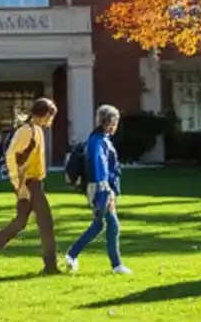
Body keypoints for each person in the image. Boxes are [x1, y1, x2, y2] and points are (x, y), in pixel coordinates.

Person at [0, 98, 60, 274]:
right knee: (46, 222)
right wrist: (19, 185)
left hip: (35, 182)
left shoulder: (37, 130)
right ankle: (51, 265)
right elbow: (12, 157)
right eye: (50, 116)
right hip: (29, 183)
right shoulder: (26, 132)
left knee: (20, 222)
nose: (51, 121)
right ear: (44, 115)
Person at [66, 104, 131, 274]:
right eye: (115, 122)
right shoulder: (99, 141)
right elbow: (99, 167)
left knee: (99, 225)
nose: (116, 126)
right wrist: (107, 191)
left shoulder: (98, 139)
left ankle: (72, 255)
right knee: (111, 225)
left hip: (100, 188)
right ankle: (116, 265)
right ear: (110, 122)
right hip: (101, 189)